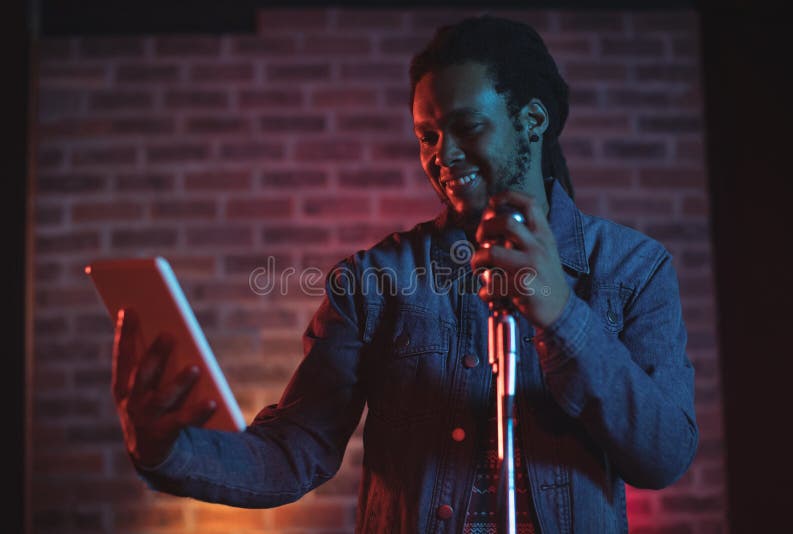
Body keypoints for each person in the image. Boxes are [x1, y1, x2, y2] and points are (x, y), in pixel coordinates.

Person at [111, 15, 698, 533]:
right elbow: (296, 451)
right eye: (427, 136)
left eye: (467, 128)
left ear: (532, 119)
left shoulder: (633, 269)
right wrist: (168, 448)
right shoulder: (374, 281)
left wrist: (562, 316)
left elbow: (663, 454)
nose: (443, 154)